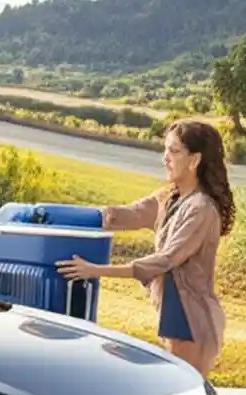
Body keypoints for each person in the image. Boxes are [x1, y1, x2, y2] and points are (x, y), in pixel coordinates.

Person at [56, 119, 235, 378]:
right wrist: (51, 215)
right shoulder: (169, 197)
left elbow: (165, 260)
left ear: (194, 160)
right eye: (165, 150)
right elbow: (127, 215)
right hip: (173, 312)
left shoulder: (201, 209)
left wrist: (95, 270)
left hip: (191, 320)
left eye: (174, 151)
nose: (165, 158)